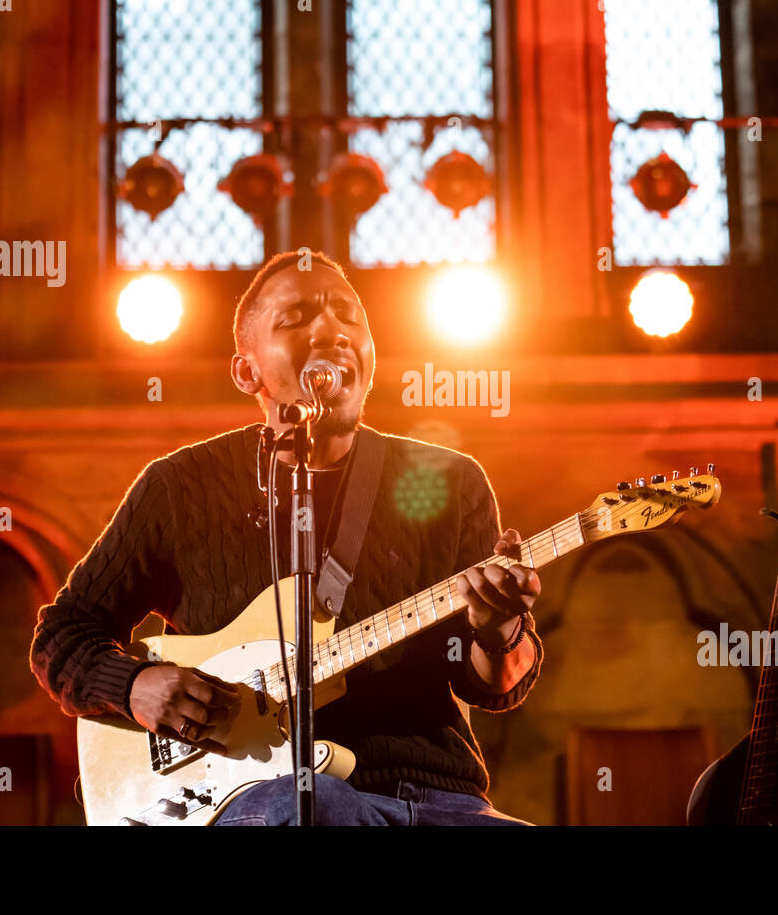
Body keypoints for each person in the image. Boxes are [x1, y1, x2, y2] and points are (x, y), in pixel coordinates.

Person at [29, 249, 544, 825]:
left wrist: (497, 629)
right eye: (297, 318)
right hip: (257, 796)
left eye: (349, 316)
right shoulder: (180, 487)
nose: (333, 330)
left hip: (436, 796)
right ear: (247, 372)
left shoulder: (452, 481)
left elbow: (494, 686)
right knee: (317, 807)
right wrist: (134, 686)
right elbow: (62, 636)